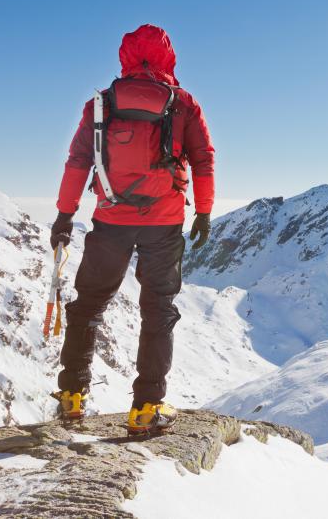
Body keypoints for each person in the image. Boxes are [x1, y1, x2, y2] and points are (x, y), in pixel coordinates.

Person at [48, 24, 214, 433]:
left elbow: (77, 161)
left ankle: (72, 397)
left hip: (110, 218)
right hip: (165, 222)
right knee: (158, 311)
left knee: (88, 305)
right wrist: (204, 211)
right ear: (168, 58)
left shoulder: (101, 103)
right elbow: (204, 159)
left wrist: (65, 214)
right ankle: (146, 409)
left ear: (125, 56)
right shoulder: (183, 104)